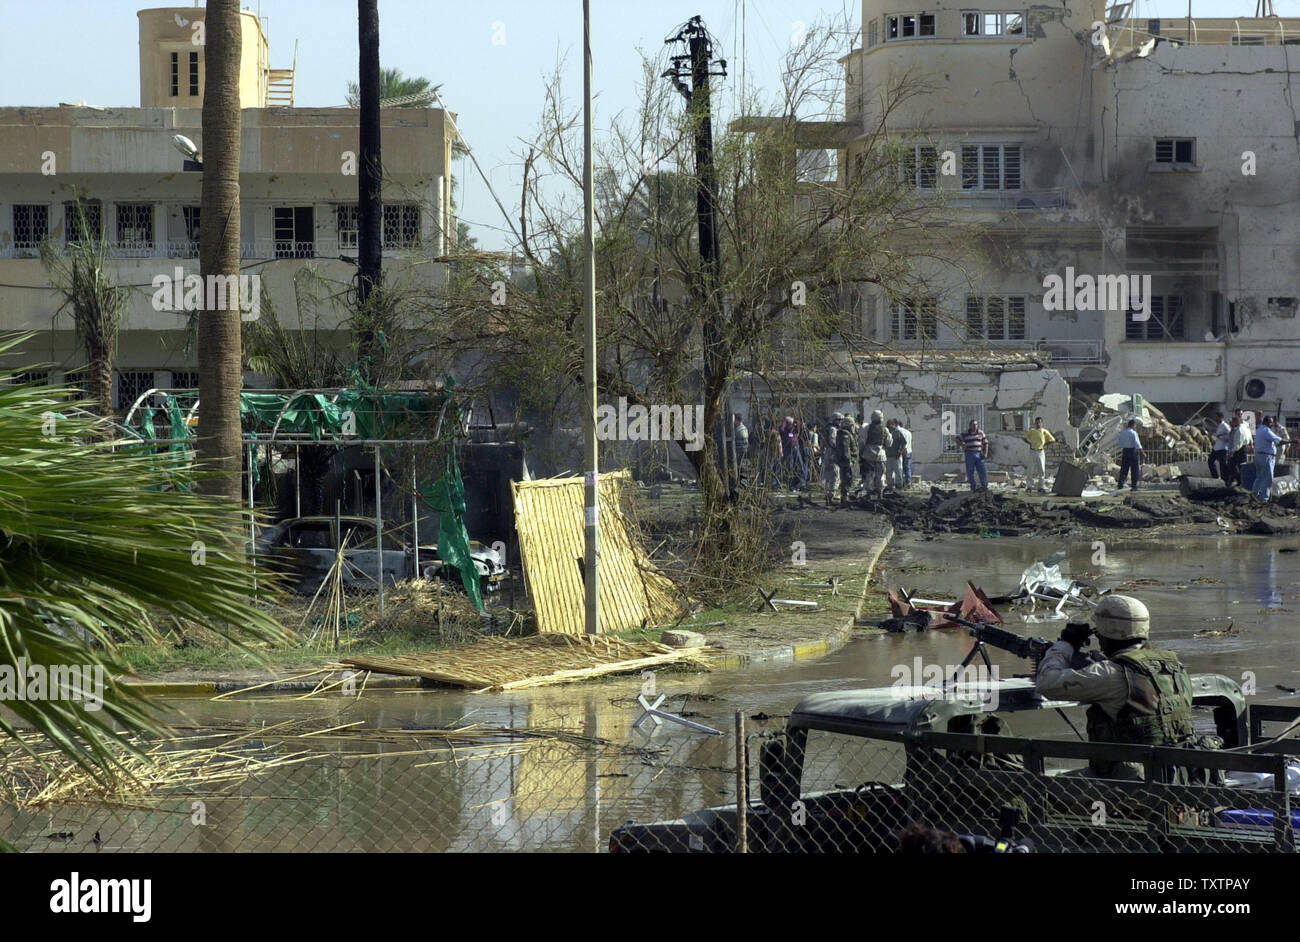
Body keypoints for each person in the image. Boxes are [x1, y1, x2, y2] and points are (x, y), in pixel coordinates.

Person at [1035, 595, 1197, 780]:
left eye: (1098, 634)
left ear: (1106, 634)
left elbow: (1046, 683)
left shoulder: (1110, 674)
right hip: (1179, 776)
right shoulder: (1173, 666)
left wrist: (1066, 644)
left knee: (1041, 789)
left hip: (1130, 785)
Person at [1252, 416, 1291, 502]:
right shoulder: (1266, 431)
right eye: (1270, 422)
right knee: (1267, 478)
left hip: (1259, 455)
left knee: (1259, 477)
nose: (1271, 424)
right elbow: (1279, 441)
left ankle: (1254, 495)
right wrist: (1292, 441)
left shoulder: (1258, 430)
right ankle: (1264, 498)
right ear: (1266, 422)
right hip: (1266, 456)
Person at [1022, 417, 1056, 493]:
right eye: (1037, 422)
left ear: (1042, 423)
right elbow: (1024, 437)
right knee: (1030, 469)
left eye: (1040, 422)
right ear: (1035, 423)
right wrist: (1029, 443)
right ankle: (1029, 486)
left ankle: (1041, 486)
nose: (1038, 424)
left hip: (1041, 451)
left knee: (1041, 470)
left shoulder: (1044, 431)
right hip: (1032, 451)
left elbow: (1052, 440)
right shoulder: (1032, 431)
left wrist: (1045, 444)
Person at [860, 410, 888, 499]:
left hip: (869, 454)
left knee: (869, 474)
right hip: (881, 455)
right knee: (881, 475)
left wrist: (860, 451)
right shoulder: (885, 429)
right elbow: (889, 442)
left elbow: (862, 441)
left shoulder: (867, 428)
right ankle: (880, 493)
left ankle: (869, 493)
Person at [956, 419, 989, 491]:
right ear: (970, 425)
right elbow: (957, 439)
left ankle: (984, 486)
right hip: (969, 453)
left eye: (976, 425)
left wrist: (985, 453)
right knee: (970, 471)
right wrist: (962, 445)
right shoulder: (965, 433)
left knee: (982, 470)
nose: (975, 426)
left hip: (979, 453)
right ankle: (973, 487)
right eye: (973, 425)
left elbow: (986, 443)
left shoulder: (981, 433)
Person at [836, 415, 858, 507]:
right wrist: (848, 460)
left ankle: (844, 497)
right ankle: (844, 498)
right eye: (852, 425)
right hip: (846, 461)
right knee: (847, 479)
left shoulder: (843, 433)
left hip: (845, 461)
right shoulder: (845, 435)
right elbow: (845, 449)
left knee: (846, 479)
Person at [1116, 417, 1142, 492]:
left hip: (1125, 451)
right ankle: (1134, 486)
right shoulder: (1133, 433)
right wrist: (1142, 451)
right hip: (1132, 451)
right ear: (1133, 425)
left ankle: (1120, 484)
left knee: (1124, 469)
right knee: (1134, 469)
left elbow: (1120, 442)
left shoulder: (1123, 432)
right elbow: (1137, 443)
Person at [1224, 414, 1249, 487]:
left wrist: (1232, 452)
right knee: (1234, 466)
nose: (1230, 423)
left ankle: (1241, 482)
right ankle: (1238, 481)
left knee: (1236, 466)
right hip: (1239, 449)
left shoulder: (1239, 430)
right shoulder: (1242, 428)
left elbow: (1238, 444)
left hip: (1239, 450)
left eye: (1232, 422)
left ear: (1235, 421)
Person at [823, 413, 843, 506]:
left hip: (828, 453)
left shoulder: (829, 428)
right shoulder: (833, 429)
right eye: (838, 420)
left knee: (829, 476)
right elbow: (833, 442)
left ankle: (828, 495)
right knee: (835, 475)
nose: (840, 422)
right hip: (832, 454)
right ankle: (831, 496)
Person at [884, 418, 906, 492]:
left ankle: (899, 486)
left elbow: (903, 443)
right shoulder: (886, 432)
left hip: (896, 456)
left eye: (890, 424)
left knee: (898, 472)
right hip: (888, 456)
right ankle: (890, 486)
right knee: (888, 472)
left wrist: (899, 452)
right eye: (888, 424)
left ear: (894, 425)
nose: (889, 426)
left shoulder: (898, 432)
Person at [1207, 411, 1229, 480]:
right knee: (1210, 461)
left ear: (1220, 418)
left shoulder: (1225, 425)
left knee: (1222, 465)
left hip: (1222, 448)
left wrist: (1221, 437)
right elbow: (1217, 435)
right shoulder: (1219, 425)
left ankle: (1224, 479)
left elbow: (1229, 435)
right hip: (1217, 448)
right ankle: (1215, 477)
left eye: (1216, 417)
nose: (1215, 418)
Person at [896, 420, 914, 487]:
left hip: (904, 451)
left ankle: (901, 482)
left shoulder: (900, 432)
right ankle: (908, 481)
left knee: (900, 467)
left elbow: (903, 443)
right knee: (907, 467)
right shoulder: (908, 432)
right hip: (909, 451)